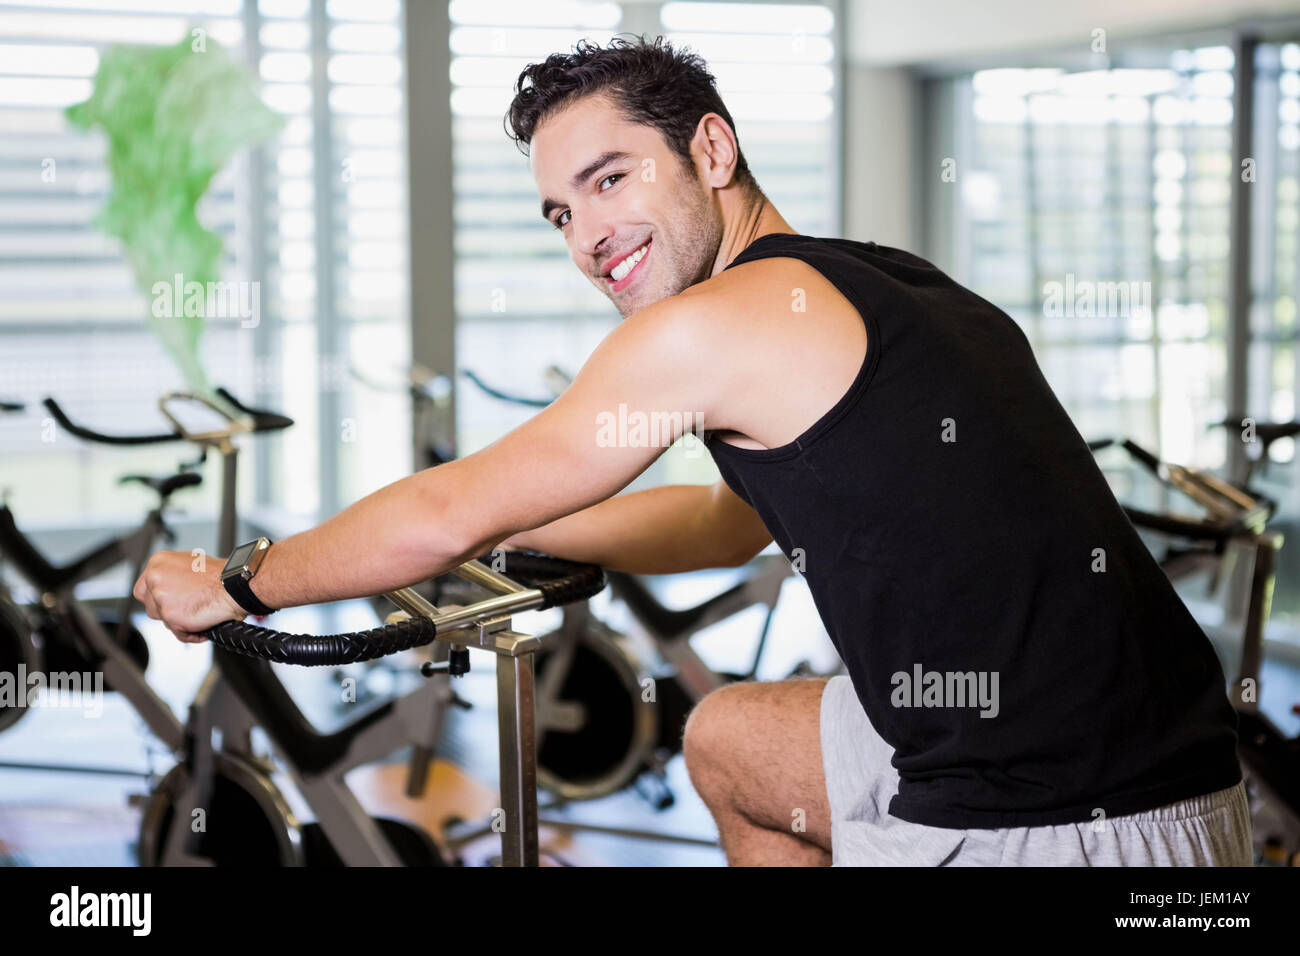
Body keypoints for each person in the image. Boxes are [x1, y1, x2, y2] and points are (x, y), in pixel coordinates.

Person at [134, 35, 1251, 867]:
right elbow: (729, 520)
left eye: (609, 178)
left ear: (710, 147)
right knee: (723, 737)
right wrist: (523, 519)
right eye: (559, 214)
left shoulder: (707, 324)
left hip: (1065, 822)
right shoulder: (873, 276)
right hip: (1157, 765)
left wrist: (235, 580)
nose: (587, 234)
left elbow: (438, 510)